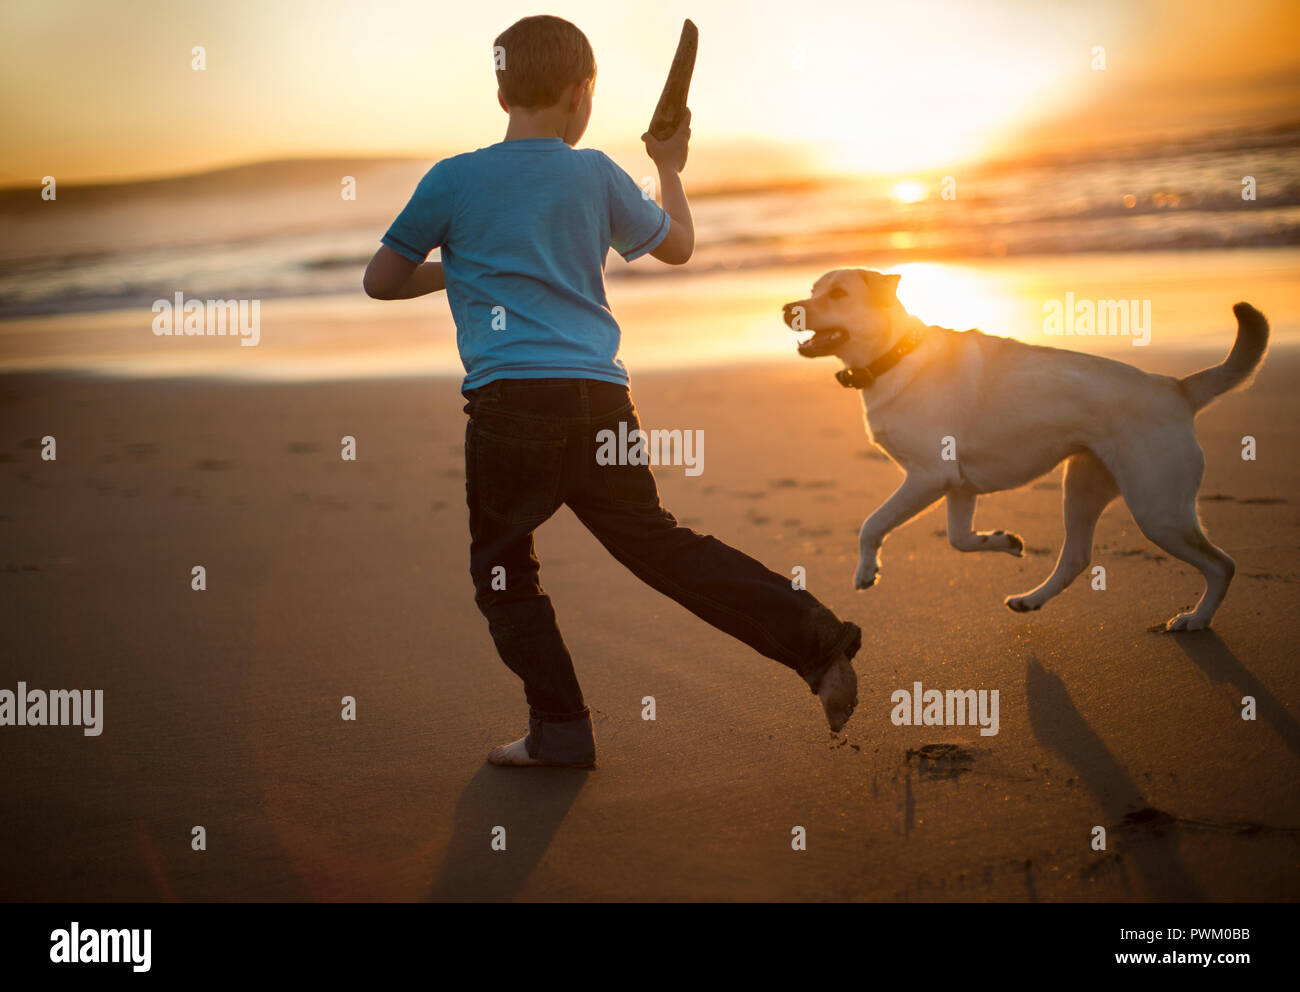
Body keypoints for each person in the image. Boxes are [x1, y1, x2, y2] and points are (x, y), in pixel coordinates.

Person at [363, 14, 860, 768]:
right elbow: (679, 249)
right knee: (658, 546)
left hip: (510, 409)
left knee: (503, 570)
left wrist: (464, 270)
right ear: (581, 93)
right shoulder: (596, 172)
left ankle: (560, 729)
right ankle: (817, 644)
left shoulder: (452, 179)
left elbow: (381, 281)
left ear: (502, 91)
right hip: (599, 399)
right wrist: (670, 166)